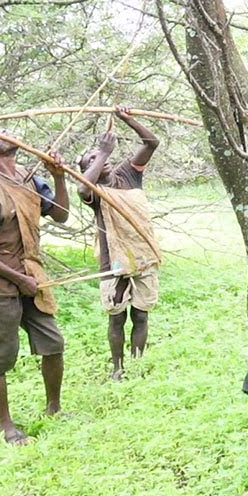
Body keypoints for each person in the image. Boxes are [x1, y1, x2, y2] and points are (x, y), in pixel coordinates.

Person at [0, 128, 70, 445]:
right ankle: (6, 426)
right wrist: (18, 278)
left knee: (53, 343)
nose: (6, 133)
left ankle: (54, 409)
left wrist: (58, 176)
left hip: (31, 276)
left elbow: (60, 215)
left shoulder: (27, 175)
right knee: (0, 357)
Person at [76, 106, 162, 381]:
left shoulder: (128, 174)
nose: (100, 160)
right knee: (116, 317)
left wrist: (128, 119)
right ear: (88, 168)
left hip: (143, 256)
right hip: (113, 262)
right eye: (91, 159)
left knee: (141, 315)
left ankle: (137, 364)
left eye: (98, 155)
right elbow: (81, 189)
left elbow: (151, 143)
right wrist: (102, 152)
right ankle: (118, 368)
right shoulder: (94, 191)